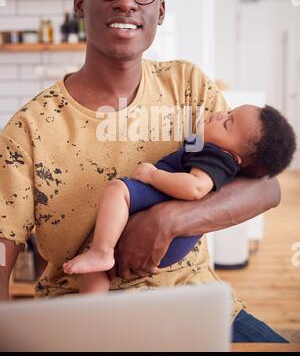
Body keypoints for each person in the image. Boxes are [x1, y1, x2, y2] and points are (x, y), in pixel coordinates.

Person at [0, 0, 287, 343]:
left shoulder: (188, 87)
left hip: (193, 303)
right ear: (80, 2)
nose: (125, 0)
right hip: (83, 318)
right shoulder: (30, 128)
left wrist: (171, 219)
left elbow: (266, 189)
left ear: (162, 11)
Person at [63, 104, 296, 294]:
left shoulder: (217, 155)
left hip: (165, 208)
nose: (219, 114)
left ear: (234, 157)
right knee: (100, 271)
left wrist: (153, 175)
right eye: (230, 112)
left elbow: (195, 188)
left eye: (227, 124)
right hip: (171, 242)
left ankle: (101, 252)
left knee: (118, 190)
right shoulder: (214, 147)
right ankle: (92, 310)